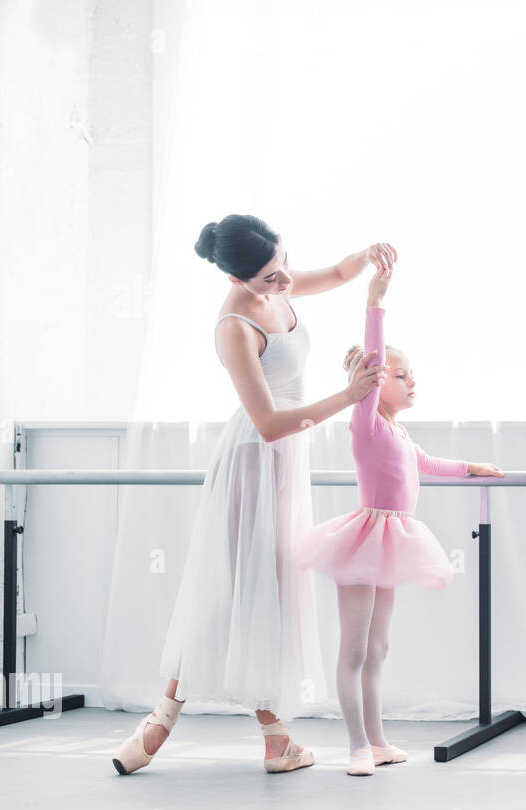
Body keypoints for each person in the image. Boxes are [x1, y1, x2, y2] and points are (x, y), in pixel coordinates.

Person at [112, 213, 393, 774]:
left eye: (284, 263)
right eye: (270, 278)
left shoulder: (281, 283)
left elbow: (336, 273)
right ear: (238, 280)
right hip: (253, 460)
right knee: (233, 591)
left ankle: (275, 737)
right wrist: (348, 396)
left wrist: (369, 259)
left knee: (272, 591)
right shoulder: (234, 326)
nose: (285, 281)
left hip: (287, 463)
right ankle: (162, 720)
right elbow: (266, 422)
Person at [296, 259, 503, 776]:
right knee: (354, 648)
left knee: (378, 645)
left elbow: (426, 464)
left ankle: (378, 738)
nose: (413, 381)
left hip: (392, 541)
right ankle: (355, 746)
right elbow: (372, 356)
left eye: (413, 374)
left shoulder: (399, 432)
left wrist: (468, 467)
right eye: (400, 375)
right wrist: (376, 300)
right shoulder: (365, 420)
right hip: (364, 538)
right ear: (372, 381)